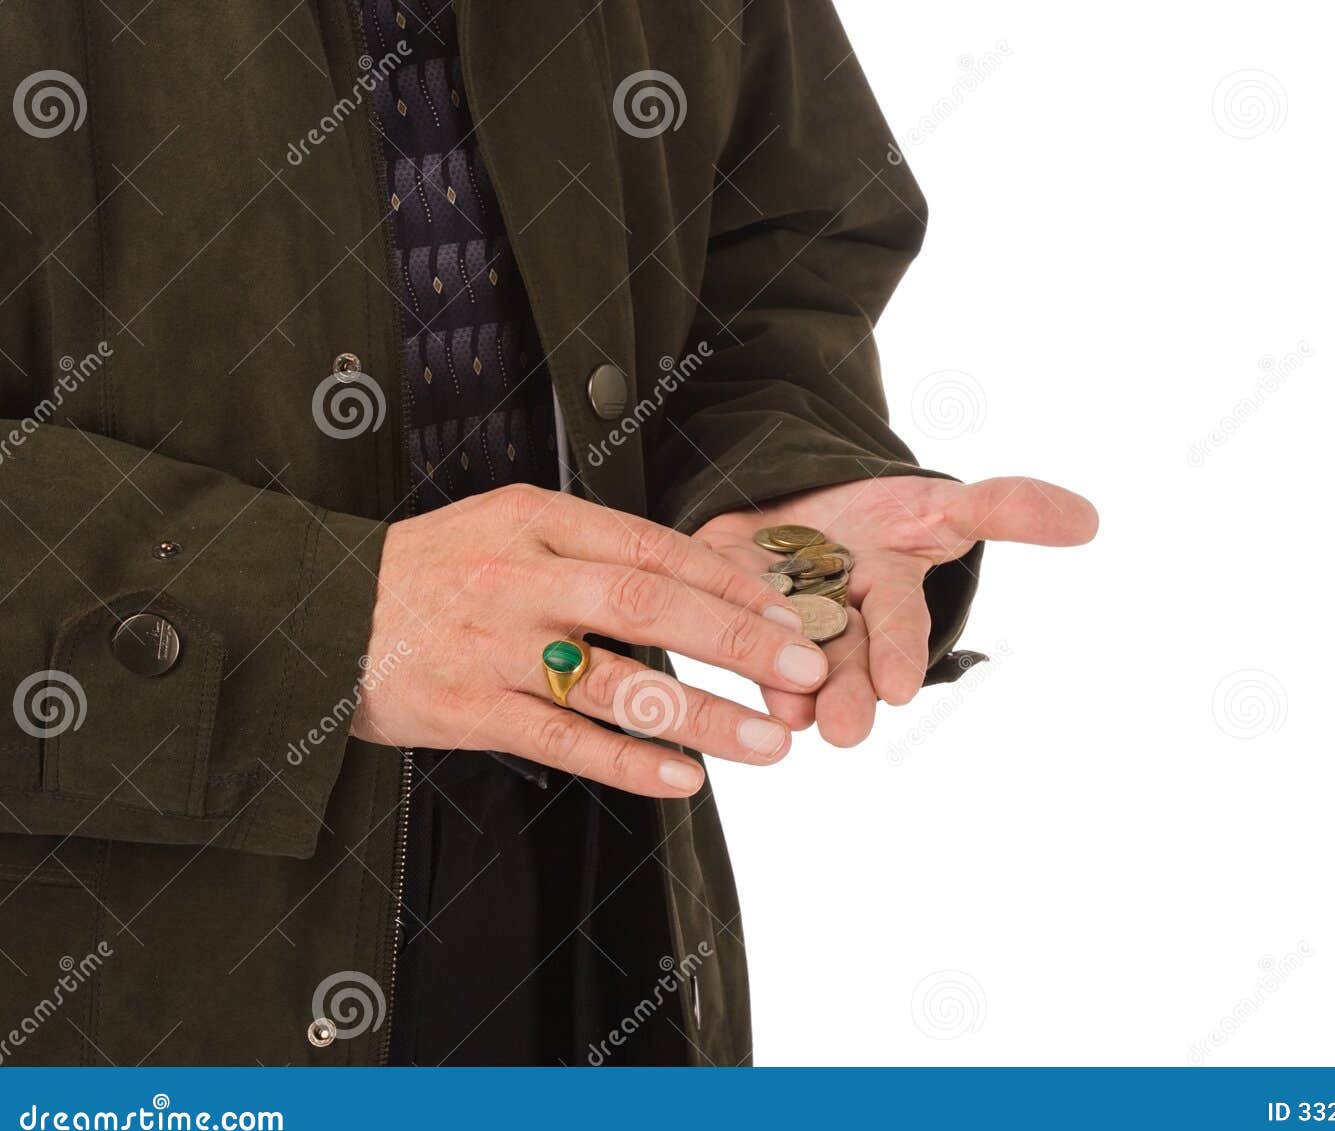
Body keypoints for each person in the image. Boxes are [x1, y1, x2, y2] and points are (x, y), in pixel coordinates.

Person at [0, 0, 1095, 1065]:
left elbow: (770, 250)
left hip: (584, 903)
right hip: (102, 981)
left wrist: (770, 474)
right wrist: (316, 619)